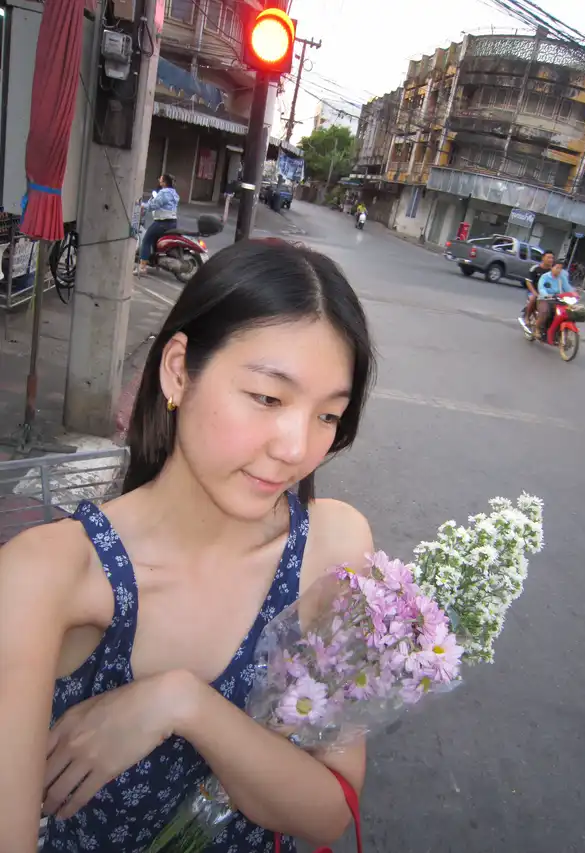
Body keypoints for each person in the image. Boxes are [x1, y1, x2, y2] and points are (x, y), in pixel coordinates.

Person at [0, 240, 375, 853]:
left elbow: (329, 812)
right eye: (268, 398)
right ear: (179, 370)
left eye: (328, 416)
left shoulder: (333, 548)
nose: (296, 448)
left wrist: (184, 705)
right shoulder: (48, 575)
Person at [138, 173, 180, 274]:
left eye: (160, 179)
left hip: (162, 223)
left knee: (146, 240)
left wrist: (141, 205)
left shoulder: (164, 192)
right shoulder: (174, 193)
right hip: (172, 222)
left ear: (164, 182)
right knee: (155, 240)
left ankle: (142, 267)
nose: (159, 180)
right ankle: (156, 262)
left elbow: (153, 205)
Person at [535, 259, 573, 338]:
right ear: (552, 267)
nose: (559, 270)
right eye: (557, 268)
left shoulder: (562, 278)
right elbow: (541, 288)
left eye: (560, 268)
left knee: (567, 313)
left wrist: (573, 294)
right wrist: (546, 295)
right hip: (544, 299)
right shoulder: (545, 277)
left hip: (558, 300)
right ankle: (537, 329)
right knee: (544, 312)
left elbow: (567, 288)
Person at [523, 250, 554, 325]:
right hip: (534, 291)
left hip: (547, 293)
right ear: (543, 258)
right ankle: (527, 317)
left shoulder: (553, 270)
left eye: (552, 258)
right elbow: (528, 282)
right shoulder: (535, 268)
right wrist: (534, 293)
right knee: (533, 299)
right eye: (548, 257)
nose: (551, 260)